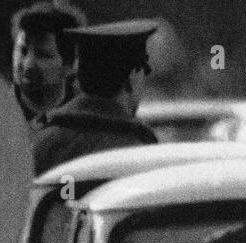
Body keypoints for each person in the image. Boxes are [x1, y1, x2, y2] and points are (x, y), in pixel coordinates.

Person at [32, 19, 160, 175]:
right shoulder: (140, 152)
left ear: (79, 80)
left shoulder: (42, 143)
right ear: (133, 77)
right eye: (144, 73)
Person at [10, 1, 87, 126]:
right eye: (23, 51)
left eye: (43, 55)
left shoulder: (86, 119)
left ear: (70, 66)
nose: (28, 64)